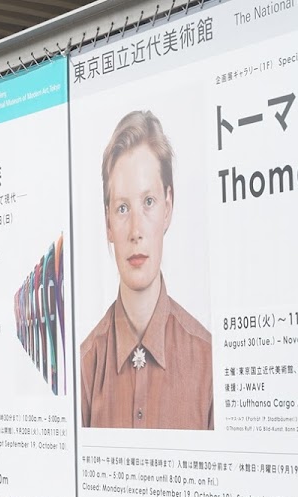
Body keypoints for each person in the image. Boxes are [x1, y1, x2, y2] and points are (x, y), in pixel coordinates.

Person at [79, 111, 212, 430]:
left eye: (148, 202)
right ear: (107, 222)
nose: (136, 230)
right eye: (122, 208)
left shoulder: (207, 359)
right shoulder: (86, 363)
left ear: (168, 206)